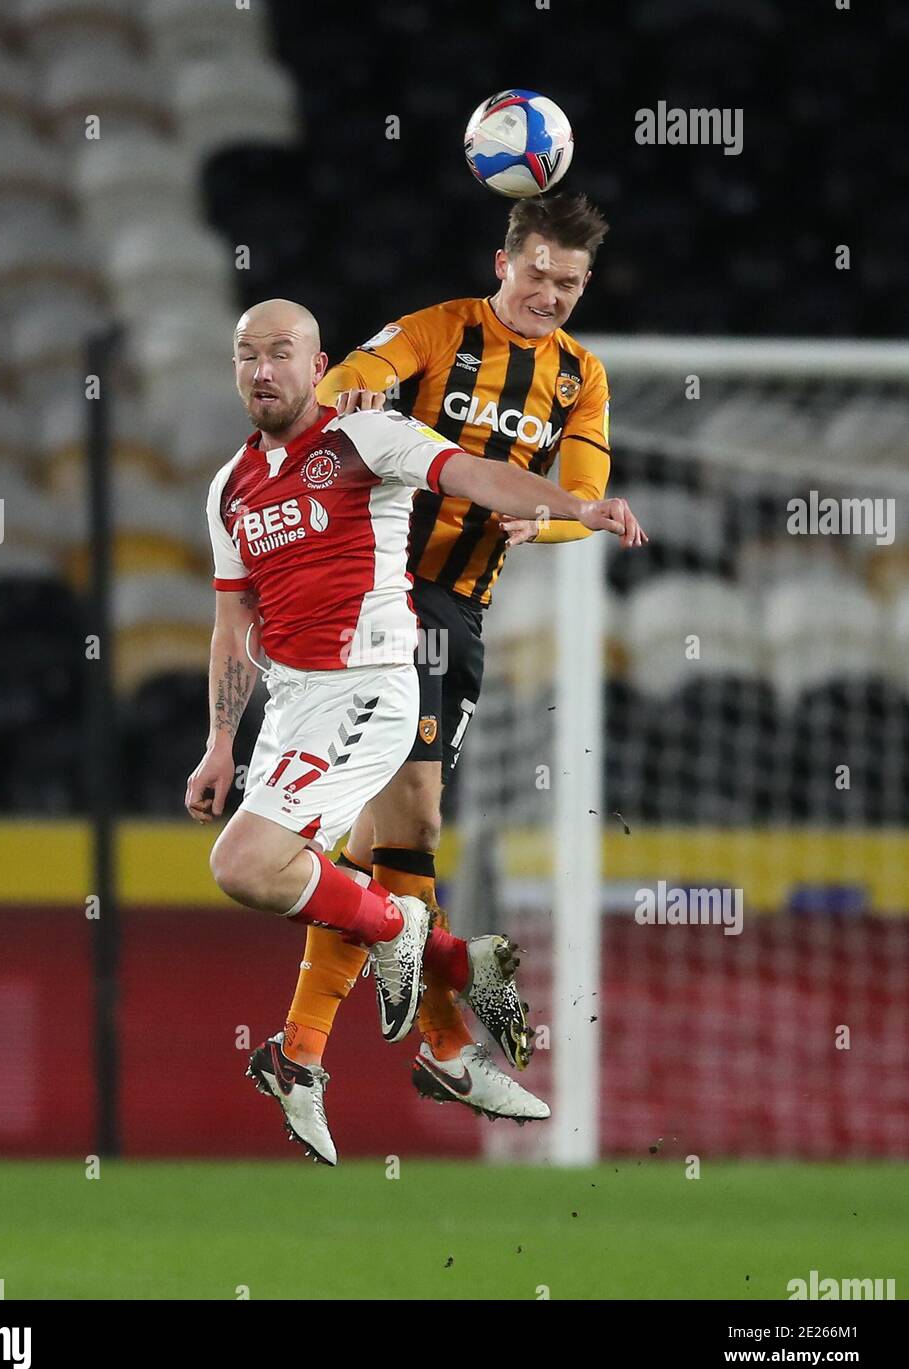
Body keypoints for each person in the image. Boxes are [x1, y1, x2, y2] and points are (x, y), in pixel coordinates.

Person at [186, 296, 644, 1163]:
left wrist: (574, 508)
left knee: (248, 864)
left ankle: (392, 967)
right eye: (245, 355)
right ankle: (445, 982)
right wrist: (219, 742)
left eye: (280, 353)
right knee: (364, 849)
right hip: (290, 708)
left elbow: (475, 477)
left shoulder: (367, 439)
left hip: (369, 689)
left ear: (318, 367)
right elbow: (229, 621)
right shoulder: (230, 486)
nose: (261, 370)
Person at [279, 191, 627, 1122]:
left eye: (570, 282)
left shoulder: (579, 378)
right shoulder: (441, 332)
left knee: (392, 841)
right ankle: (434, 1043)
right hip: (383, 596)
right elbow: (360, 366)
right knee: (414, 817)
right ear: (500, 263)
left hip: (458, 613)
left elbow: (581, 498)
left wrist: (544, 523)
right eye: (537, 274)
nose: (551, 294)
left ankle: (310, 1050)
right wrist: (350, 387)